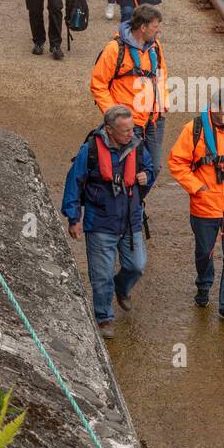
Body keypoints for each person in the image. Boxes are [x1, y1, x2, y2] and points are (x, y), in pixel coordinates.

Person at [61, 105, 153, 339]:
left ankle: (121, 288)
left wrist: (146, 176)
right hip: (101, 223)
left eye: (132, 129)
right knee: (101, 275)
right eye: (125, 131)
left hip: (131, 221)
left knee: (137, 265)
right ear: (110, 130)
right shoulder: (90, 150)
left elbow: (149, 169)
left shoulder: (138, 146)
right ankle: (104, 318)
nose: (131, 134)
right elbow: (74, 182)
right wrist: (74, 219)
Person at [168, 90, 224, 328]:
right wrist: (198, 188)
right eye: (223, 113)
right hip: (205, 205)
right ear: (212, 109)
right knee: (204, 252)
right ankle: (204, 284)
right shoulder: (193, 130)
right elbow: (176, 162)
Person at [89, 3, 167, 173]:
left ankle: (134, 200)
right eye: (155, 26)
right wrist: (115, 116)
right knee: (128, 171)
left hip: (153, 120)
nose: (159, 30)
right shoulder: (114, 49)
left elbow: (161, 75)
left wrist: (163, 104)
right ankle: (129, 200)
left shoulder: (155, 47)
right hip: (129, 123)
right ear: (143, 27)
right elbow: (98, 84)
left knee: (153, 169)